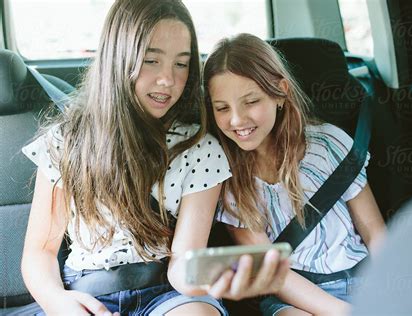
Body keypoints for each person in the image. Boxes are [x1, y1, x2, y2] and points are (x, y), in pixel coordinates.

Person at [20, 3, 288, 315]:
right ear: (118, 57)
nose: (167, 79)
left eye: (181, 64)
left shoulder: (199, 149)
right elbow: (40, 251)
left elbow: (183, 264)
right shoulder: (67, 141)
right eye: (151, 60)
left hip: (166, 295)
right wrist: (58, 301)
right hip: (84, 292)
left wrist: (217, 279)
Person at [203, 33, 386, 316]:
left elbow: (375, 233)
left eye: (251, 101)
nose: (237, 119)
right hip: (293, 293)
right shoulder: (226, 176)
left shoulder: (329, 144)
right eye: (222, 108)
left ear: (280, 93)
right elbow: (273, 270)